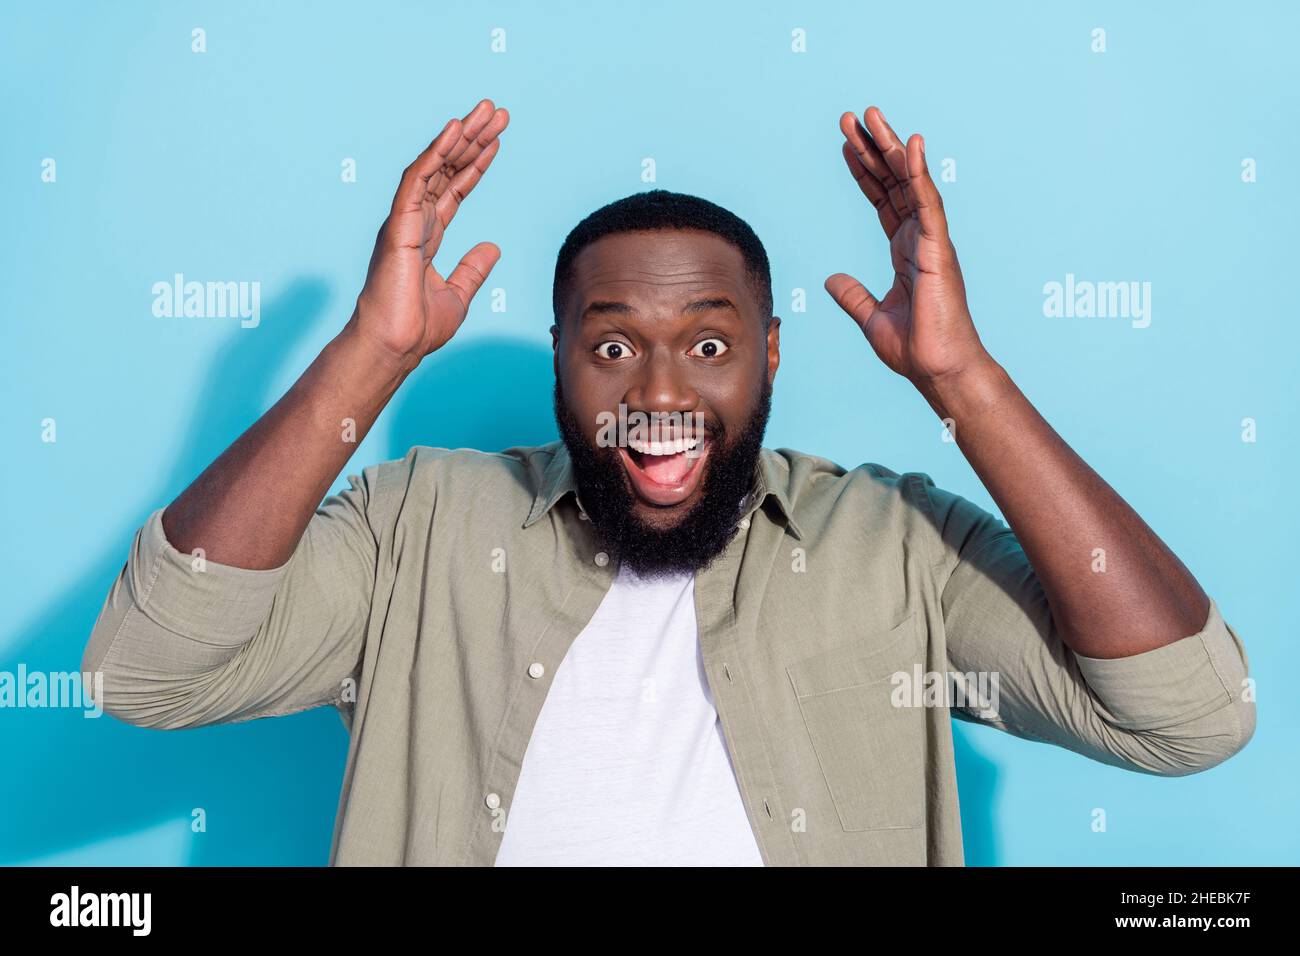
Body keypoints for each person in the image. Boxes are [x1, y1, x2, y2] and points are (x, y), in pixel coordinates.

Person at [83, 99, 1255, 866]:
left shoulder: (892, 546)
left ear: (771, 351)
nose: (658, 389)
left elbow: (1184, 717)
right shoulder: (423, 525)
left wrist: (962, 377)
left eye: (707, 343)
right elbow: (145, 673)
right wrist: (371, 354)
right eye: (609, 345)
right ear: (557, 352)